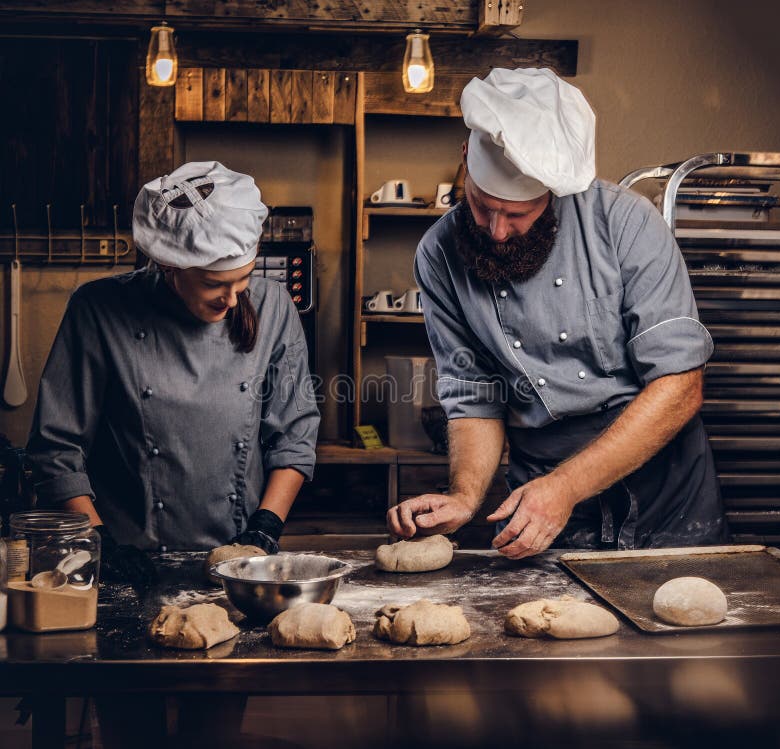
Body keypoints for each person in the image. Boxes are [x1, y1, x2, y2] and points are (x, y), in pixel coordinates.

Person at [388, 68, 726, 558]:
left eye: (518, 215)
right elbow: (475, 396)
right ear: (465, 162)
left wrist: (566, 487)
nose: (498, 232)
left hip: (664, 493)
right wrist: (464, 496)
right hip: (540, 497)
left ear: (552, 193)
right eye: (483, 208)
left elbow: (679, 388)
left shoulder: (626, 223)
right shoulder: (438, 254)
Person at [27, 161, 320, 585]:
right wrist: (97, 542)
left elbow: (294, 435)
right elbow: (56, 448)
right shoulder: (98, 310)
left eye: (243, 280)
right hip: (127, 558)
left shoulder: (273, 306)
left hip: (240, 561)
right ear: (170, 268)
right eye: (215, 285)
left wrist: (265, 529)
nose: (234, 300)